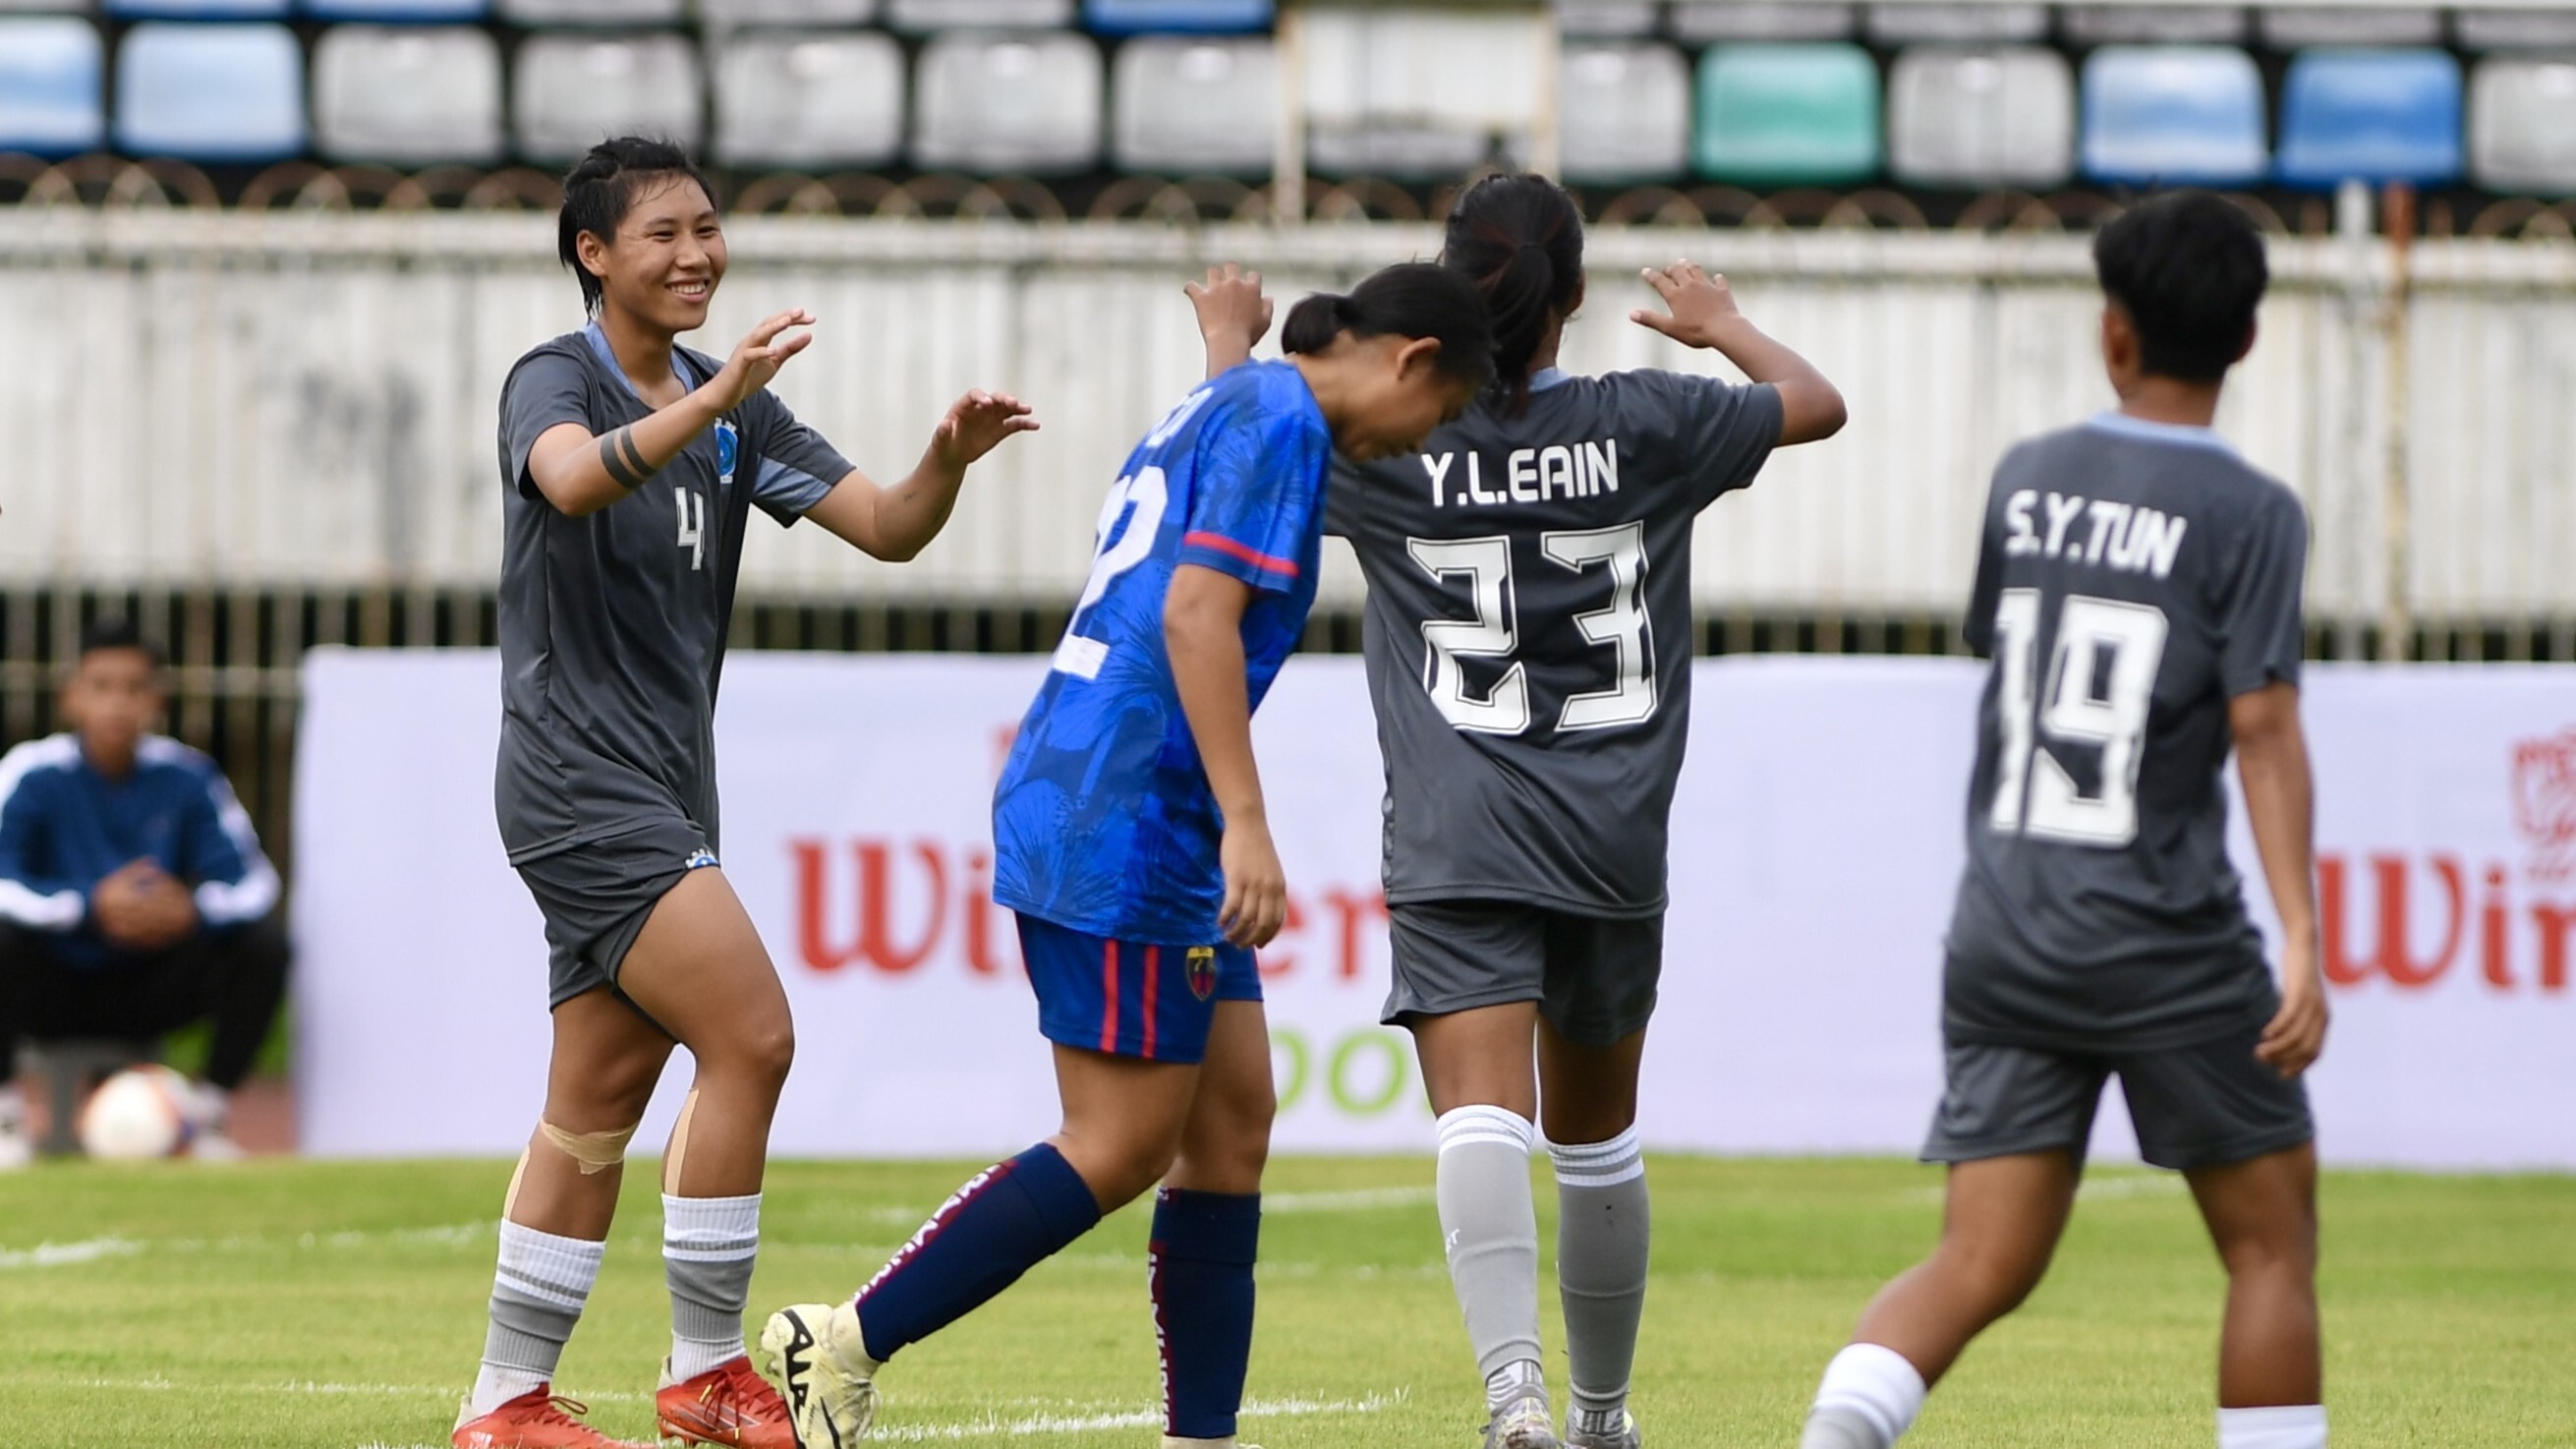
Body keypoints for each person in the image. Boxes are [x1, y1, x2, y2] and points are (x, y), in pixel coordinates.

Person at [759, 261, 1494, 1449]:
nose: (1424, 438)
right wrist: (1246, 820)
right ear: (1410, 359)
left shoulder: (1243, 402)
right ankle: (841, 1342)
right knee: (1118, 1142)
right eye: (1440, 409)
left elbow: (1211, 493)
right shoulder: (1284, 422)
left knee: (1231, 1120)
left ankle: (1200, 1435)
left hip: (1119, 792)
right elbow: (1196, 613)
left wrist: (1224, 345)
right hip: (1128, 812)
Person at [1193, 174, 1847, 1449]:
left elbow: (1233, 451)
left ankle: (1515, 1404)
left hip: (1460, 824)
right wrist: (1722, 325)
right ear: (1576, 294)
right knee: (1596, 1139)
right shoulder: (1647, 419)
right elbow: (1815, 403)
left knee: (1480, 1116)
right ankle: (1601, 1416)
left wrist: (1227, 346)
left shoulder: (1391, 435)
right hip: (1613, 829)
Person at [457, 137, 1037, 1449]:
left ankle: (502, 1403)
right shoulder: (556, 377)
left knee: (594, 1105)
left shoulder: (738, 411)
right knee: (754, 1036)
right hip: (578, 780)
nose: (697, 254)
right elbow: (570, 476)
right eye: (663, 233)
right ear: (594, 254)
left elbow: (886, 526)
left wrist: (946, 458)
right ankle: (707, 1370)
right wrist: (714, 396)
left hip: (660, 784)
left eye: (707, 228)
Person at [1795, 191, 2327, 1449]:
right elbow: (2260, 730)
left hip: (2006, 923)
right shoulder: (2252, 512)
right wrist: (2302, 938)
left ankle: (1829, 1436)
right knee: (2268, 1247)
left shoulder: (2027, 476)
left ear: (2112, 332)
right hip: (2162, 932)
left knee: (1977, 1259)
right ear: (2245, 339)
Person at [0, 617, 288, 1167]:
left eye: (134, 688)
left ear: (157, 700)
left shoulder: (189, 776)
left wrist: (189, 910)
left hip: (151, 981)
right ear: (70, 697)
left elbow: (253, 882)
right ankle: (6, 1121)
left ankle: (207, 1119)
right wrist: (90, 905)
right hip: (56, 980)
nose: (117, 703)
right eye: (101, 686)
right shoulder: (32, 774)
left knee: (263, 946)